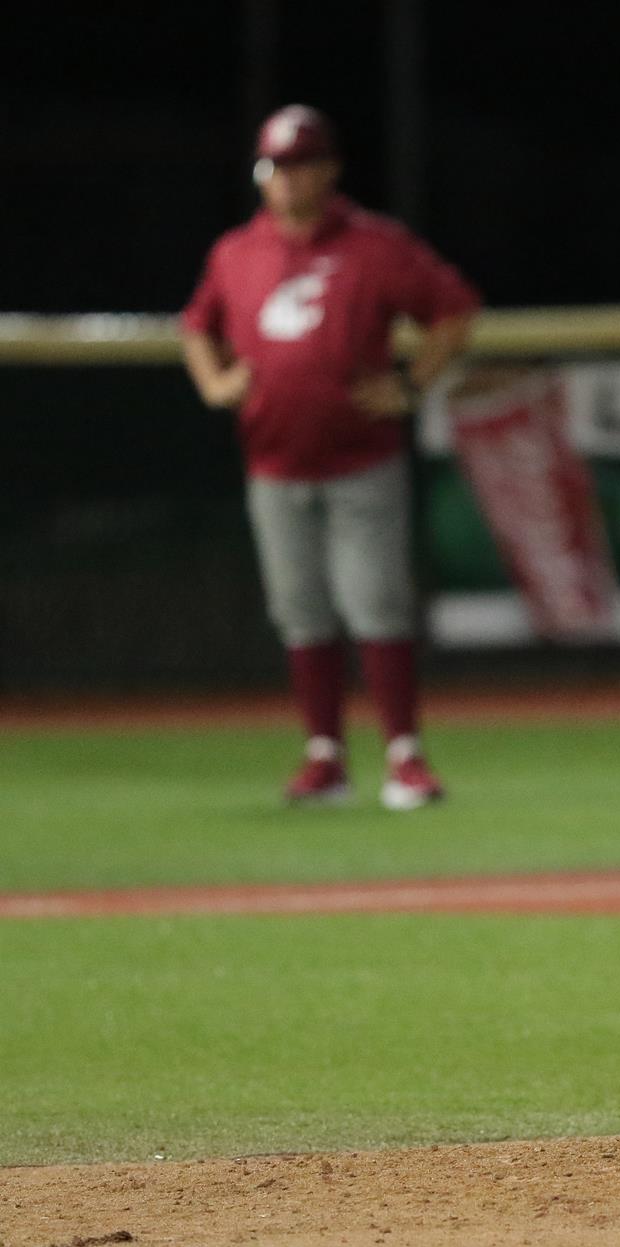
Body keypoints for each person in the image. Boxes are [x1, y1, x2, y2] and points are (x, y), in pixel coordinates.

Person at [180, 105, 480, 809]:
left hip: (360, 459)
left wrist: (411, 385)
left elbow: (454, 311)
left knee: (378, 603)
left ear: (330, 169)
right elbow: (196, 326)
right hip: (274, 463)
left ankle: (404, 755)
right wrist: (215, 383)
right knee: (302, 613)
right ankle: (326, 758)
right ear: (262, 174)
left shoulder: (374, 245)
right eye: (277, 166)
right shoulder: (237, 252)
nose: (288, 179)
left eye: (302, 164)